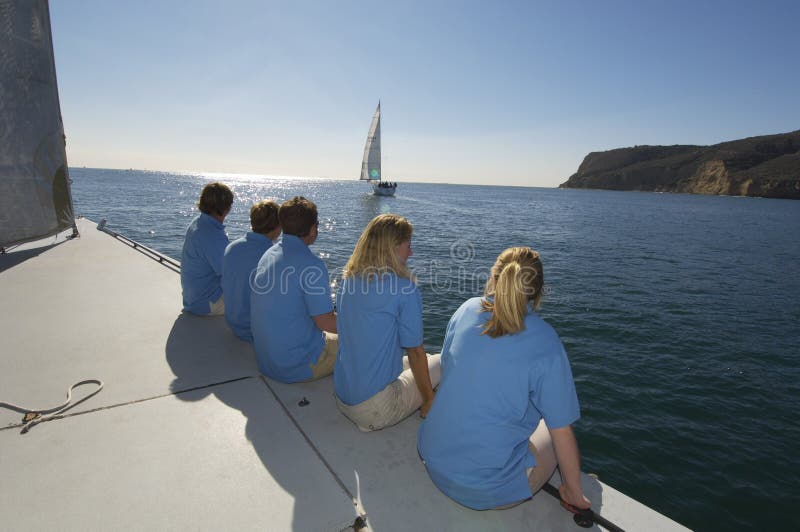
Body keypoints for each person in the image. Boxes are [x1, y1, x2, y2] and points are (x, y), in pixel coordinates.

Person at [418, 247, 591, 512]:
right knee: (553, 425)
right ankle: (570, 490)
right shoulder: (546, 339)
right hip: (485, 491)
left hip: (434, 460)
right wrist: (575, 495)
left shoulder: (466, 308)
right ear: (537, 290)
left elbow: (449, 367)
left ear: (494, 276)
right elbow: (562, 430)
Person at [334, 214, 440, 432]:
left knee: (426, 361)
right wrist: (428, 400)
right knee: (441, 361)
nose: (411, 252)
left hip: (343, 396)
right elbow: (415, 351)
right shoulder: (404, 288)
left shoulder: (348, 279)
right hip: (375, 409)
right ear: (393, 248)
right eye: (408, 246)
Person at [251, 196, 337, 383]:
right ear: (312, 229)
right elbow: (326, 323)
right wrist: (357, 323)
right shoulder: (312, 265)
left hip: (267, 361)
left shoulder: (269, 254)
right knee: (359, 340)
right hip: (296, 366)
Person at [221, 200, 281, 342]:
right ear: (278, 226)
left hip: (235, 323)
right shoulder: (273, 257)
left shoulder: (232, 247)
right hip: (257, 332)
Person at [181, 182, 233, 316]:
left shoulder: (198, 222)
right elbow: (230, 273)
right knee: (257, 294)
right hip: (206, 303)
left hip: (192, 299)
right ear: (226, 208)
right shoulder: (212, 235)